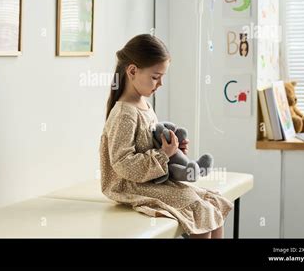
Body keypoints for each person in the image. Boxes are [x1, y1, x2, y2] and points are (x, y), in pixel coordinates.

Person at [100, 34, 233, 238]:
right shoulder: (124, 114)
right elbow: (122, 163)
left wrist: (173, 151)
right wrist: (163, 155)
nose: (160, 83)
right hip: (129, 185)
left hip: (149, 179)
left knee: (212, 204)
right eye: (155, 77)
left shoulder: (144, 105)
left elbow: (147, 144)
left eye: (162, 77)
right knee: (200, 210)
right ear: (133, 71)